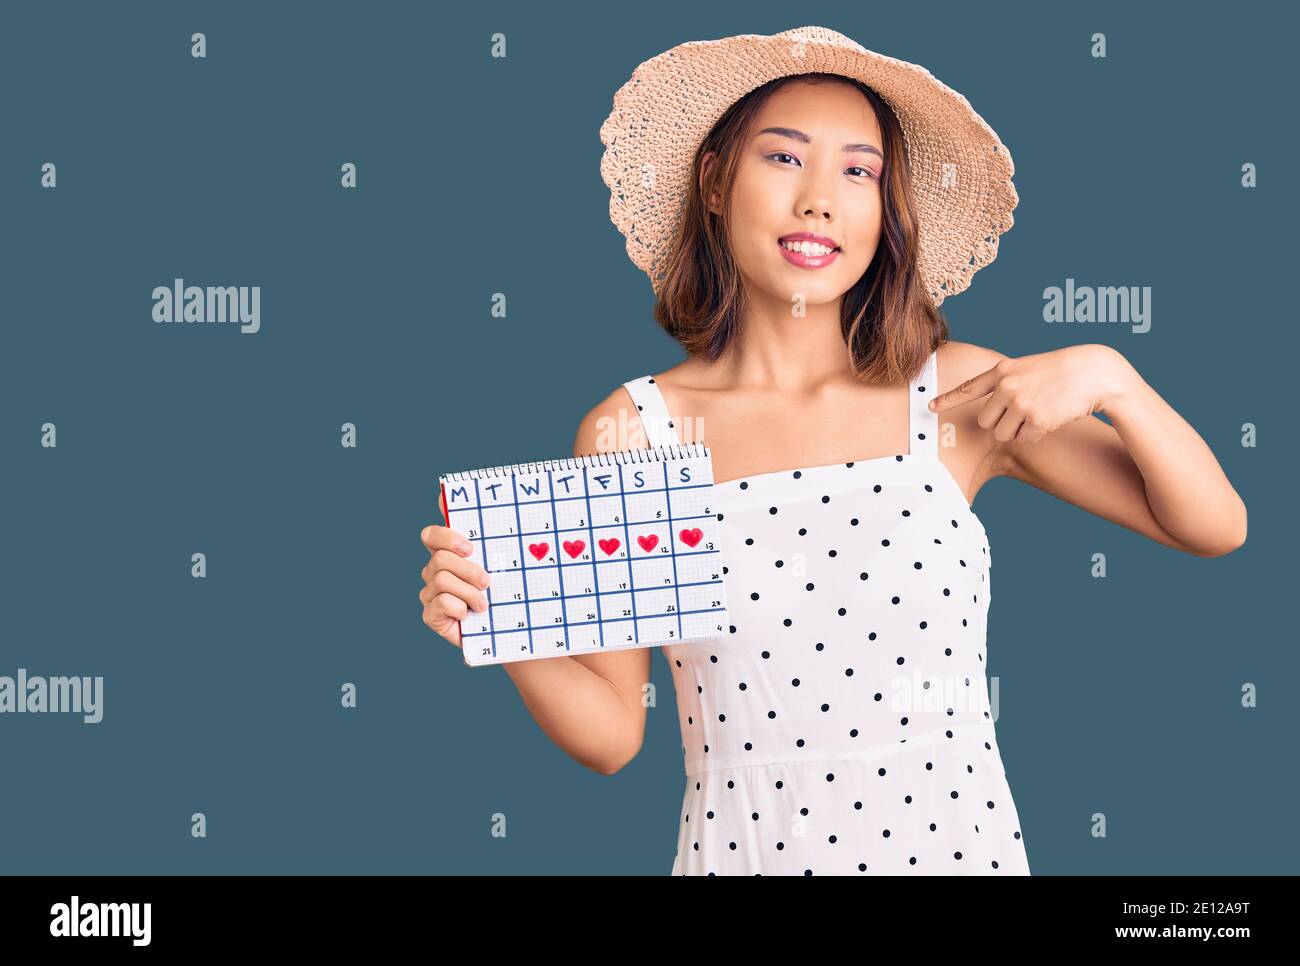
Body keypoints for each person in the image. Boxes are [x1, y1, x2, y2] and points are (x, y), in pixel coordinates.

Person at [418, 27, 1247, 875]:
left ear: (885, 209)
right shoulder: (638, 430)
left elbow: (1212, 525)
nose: (819, 200)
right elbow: (612, 736)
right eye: (783, 159)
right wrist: (495, 620)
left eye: (859, 171)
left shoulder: (954, 398)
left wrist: (1116, 379)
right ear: (714, 180)